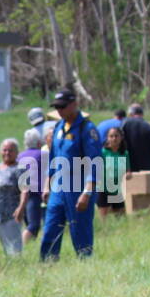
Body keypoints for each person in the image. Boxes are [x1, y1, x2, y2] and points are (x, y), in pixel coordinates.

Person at [40, 89, 101, 260]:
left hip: (78, 185)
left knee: (79, 228)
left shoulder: (87, 129)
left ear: (74, 105)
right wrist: (47, 185)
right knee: (51, 226)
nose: (59, 110)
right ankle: (47, 263)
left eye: (63, 106)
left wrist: (87, 193)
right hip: (59, 186)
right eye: (57, 107)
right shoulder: (59, 126)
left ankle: (85, 263)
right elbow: (53, 158)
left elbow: (94, 163)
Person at [0, 138, 25, 255]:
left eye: (11, 150)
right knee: (5, 245)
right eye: (4, 150)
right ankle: (11, 265)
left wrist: (21, 208)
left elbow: (25, 190)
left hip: (11, 214)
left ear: (17, 153)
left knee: (14, 246)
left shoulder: (20, 169)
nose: (7, 153)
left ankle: (17, 266)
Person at [17, 128, 46, 246]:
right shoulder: (42, 154)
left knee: (29, 223)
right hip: (34, 193)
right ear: (39, 143)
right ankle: (20, 247)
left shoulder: (19, 156)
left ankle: (29, 248)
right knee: (33, 225)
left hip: (20, 193)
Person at [120, 103, 150, 173]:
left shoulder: (124, 124)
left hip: (127, 169)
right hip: (146, 170)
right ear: (142, 114)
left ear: (131, 114)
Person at [100, 125, 130, 218]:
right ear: (107, 138)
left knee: (121, 217)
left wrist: (128, 174)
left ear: (121, 137)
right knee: (105, 218)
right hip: (103, 189)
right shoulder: (102, 152)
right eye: (111, 136)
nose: (114, 138)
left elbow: (128, 169)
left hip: (118, 189)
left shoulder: (124, 153)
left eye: (116, 136)